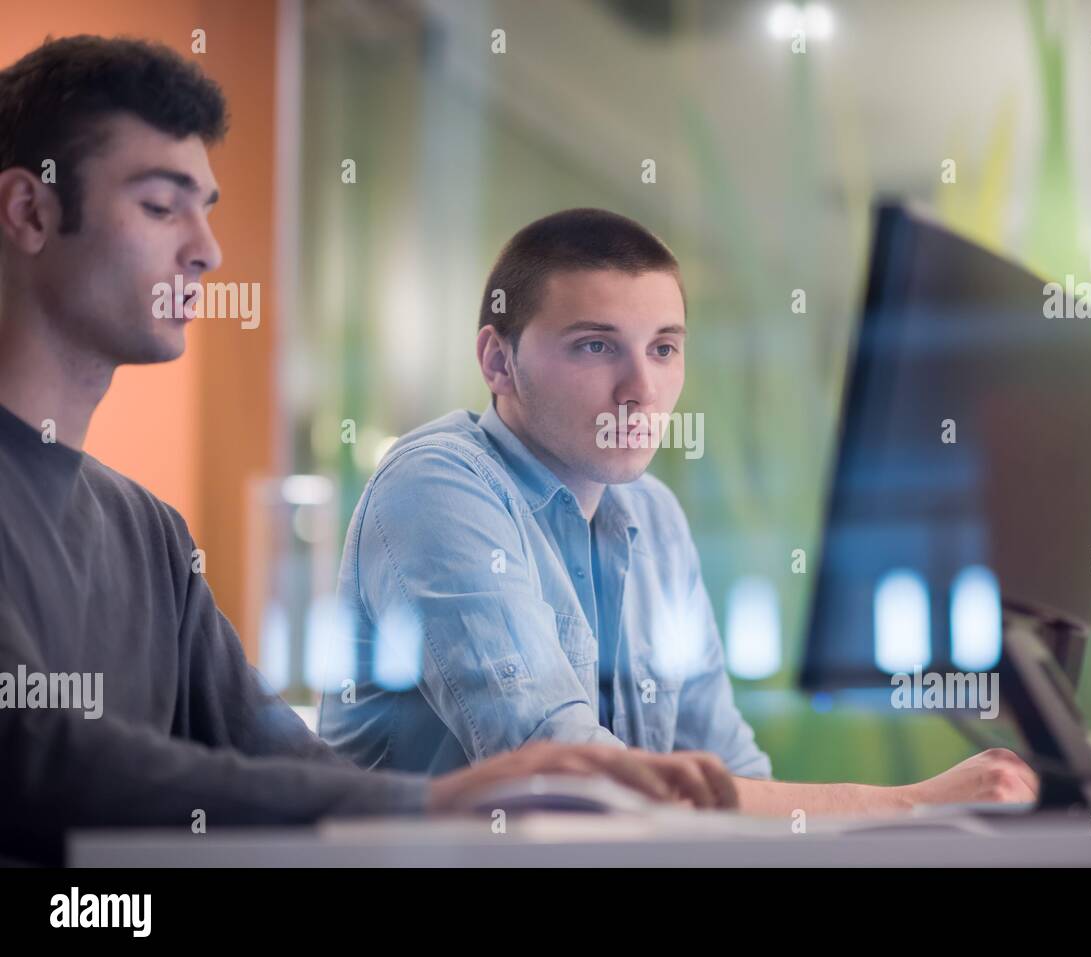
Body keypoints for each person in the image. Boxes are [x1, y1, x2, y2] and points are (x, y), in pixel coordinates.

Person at [0, 36, 734, 866]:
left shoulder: (149, 535)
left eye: (207, 207)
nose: (207, 249)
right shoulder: (437, 480)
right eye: (163, 206)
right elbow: (31, 756)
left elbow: (276, 755)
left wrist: (434, 806)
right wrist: (434, 801)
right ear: (30, 211)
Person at [320, 207, 1040, 815]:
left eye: (664, 348)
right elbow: (566, 779)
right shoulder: (436, 484)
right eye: (596, 345)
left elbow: (729, 771)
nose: (642, 389)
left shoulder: (652, 517)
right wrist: (913, 804)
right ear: (498, 361)